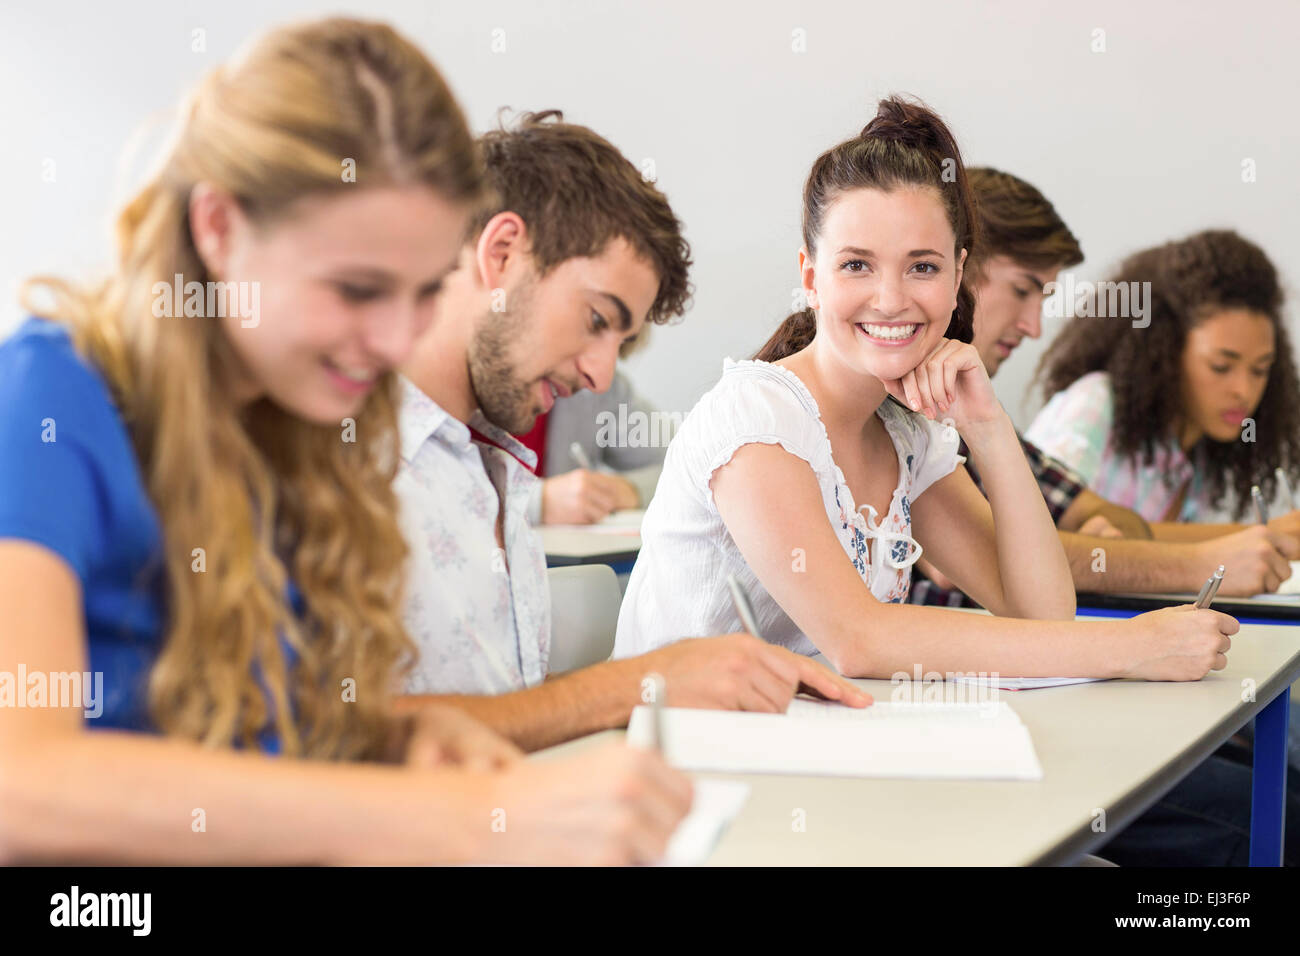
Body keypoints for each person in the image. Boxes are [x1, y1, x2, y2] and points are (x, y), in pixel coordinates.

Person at [0, 18, 692, 866]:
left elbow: (246, 753)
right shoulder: (54, 391)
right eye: (358, 288)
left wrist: (391, 742)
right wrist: (449, 818)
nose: (395, 338)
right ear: (218, 226)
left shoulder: (294, 437)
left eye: (414, 293)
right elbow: (19, 783)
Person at [613, 97, 1237, 686]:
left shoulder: (907, 432)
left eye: (923, 266)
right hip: (687, 773)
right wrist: (1133, 646)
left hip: (812, 759)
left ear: (959, 273)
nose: (891, 299)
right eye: (857, 265)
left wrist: (987, 425)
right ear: (810, 275)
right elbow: (861, 641)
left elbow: (1041, 614)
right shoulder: (756, 415)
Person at [395, 110, 870, 753]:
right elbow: (349, 736)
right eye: (597, 319)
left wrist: (675, 683)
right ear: (502, 254)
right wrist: (638, 683)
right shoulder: (346, 456)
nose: (598, 375)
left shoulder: (488, 464)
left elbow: (497, 716)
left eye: (620, 341)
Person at [910, 168, 1299, 608]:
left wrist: (1100, 541)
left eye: (1260, 369)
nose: (1034, 327)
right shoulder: (906, 404)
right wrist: (1202, 564)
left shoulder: (968, 406)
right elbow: (968, 560)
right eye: (1023, 290)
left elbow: (1104, 518)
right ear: (954, 270)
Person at [1027, 229, 1300, 543]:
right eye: (1220, 366)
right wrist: (1259, 536)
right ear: (1166, 350)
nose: (1243, 390)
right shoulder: (1096, 402)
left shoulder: (1200, 465)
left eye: (1260, 370)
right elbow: (1037, 536)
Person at [519, 338, 670, 525]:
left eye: (620, 345)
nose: (602, 380)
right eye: (597, 323)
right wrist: (538, 503)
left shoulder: (604, 390)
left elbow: (686, 461)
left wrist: (629, 490)